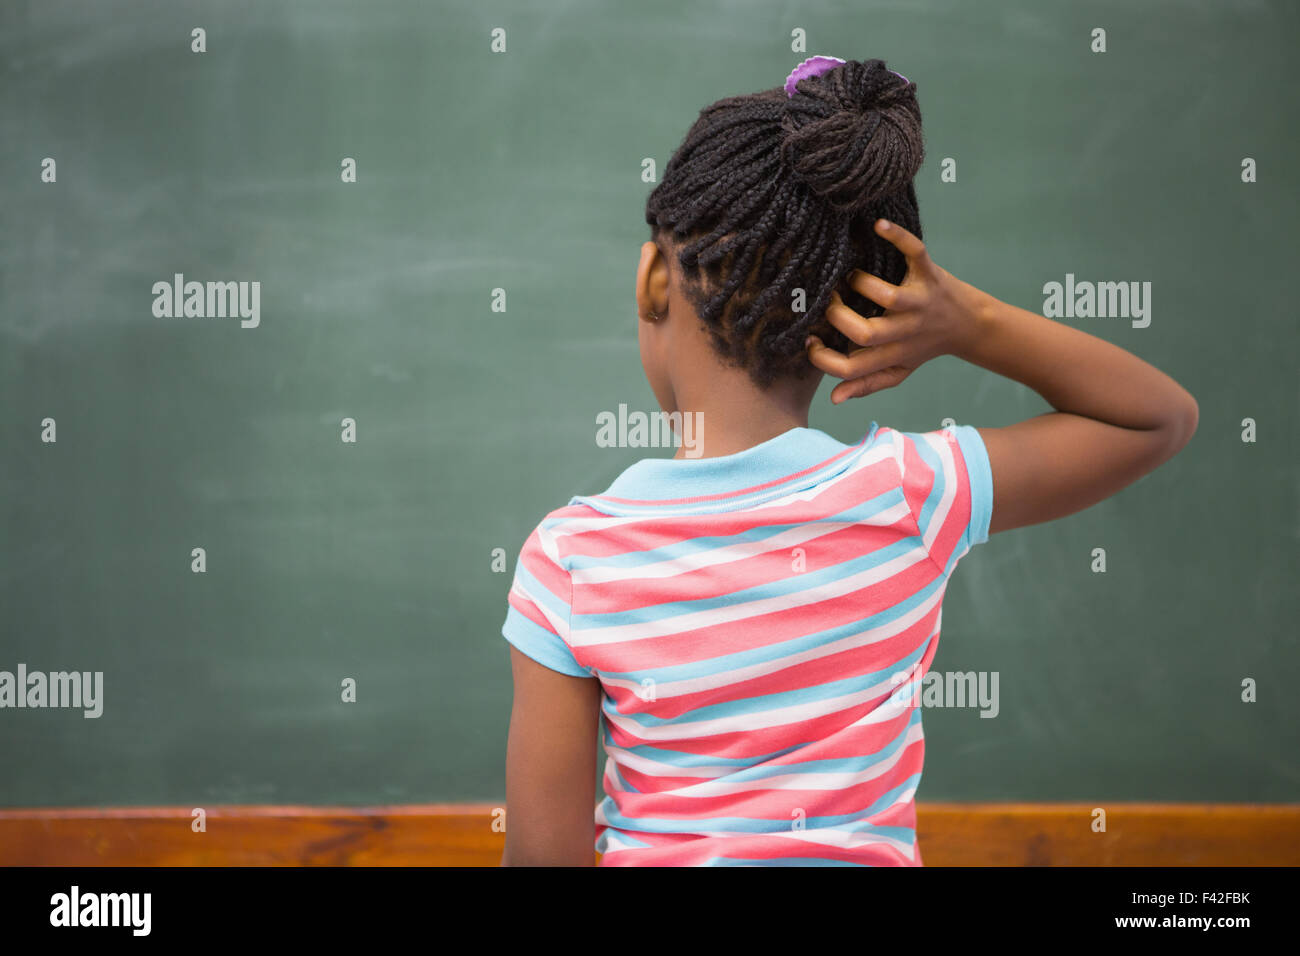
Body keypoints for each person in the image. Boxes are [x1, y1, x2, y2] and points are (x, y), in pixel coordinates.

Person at [500, 56, 1198, 866]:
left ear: (655, 279)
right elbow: (1156, 418)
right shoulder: (909, 496)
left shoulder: (573, 561)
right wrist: (968, 321)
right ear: (860, 312)